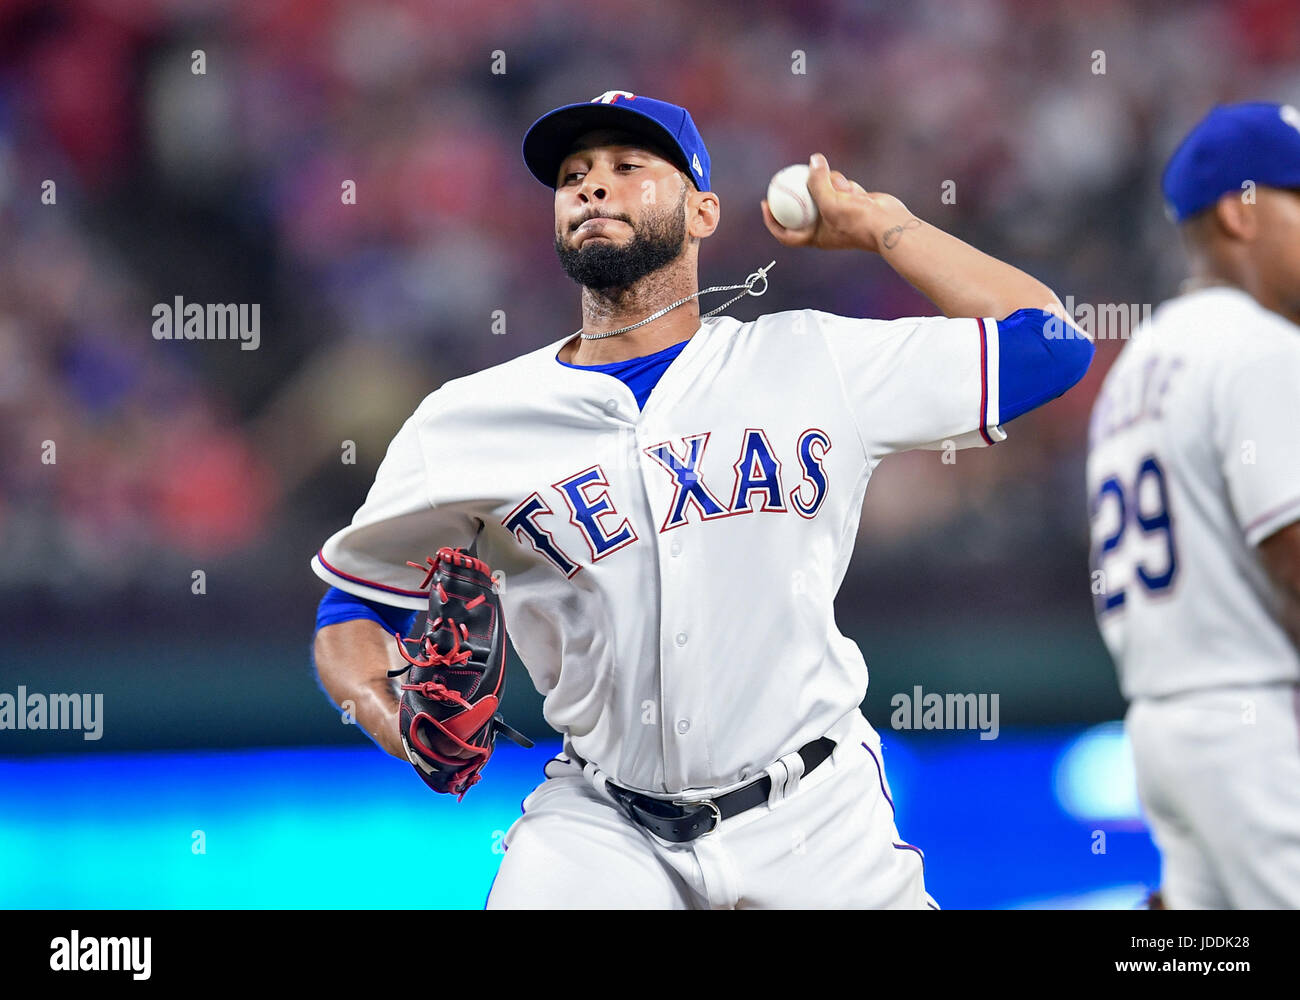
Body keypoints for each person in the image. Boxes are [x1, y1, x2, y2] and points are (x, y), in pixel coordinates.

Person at [311, 91, 1093, 908]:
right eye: (573, 174)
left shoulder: (812, 359)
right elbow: (351, 609)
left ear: (702, 212)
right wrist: (390, 714)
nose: (591, 186)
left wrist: (879, 226)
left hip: (814, 817)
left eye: (628, 166)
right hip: (602, 825)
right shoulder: (469, 419)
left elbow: (1051, 346)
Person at [1086, 101, 1300, 909]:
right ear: (1242, 210)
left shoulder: (1138, 364)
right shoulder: (1260, 347)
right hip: (1257, 718)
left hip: (1163, 724)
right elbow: (1293, 557)